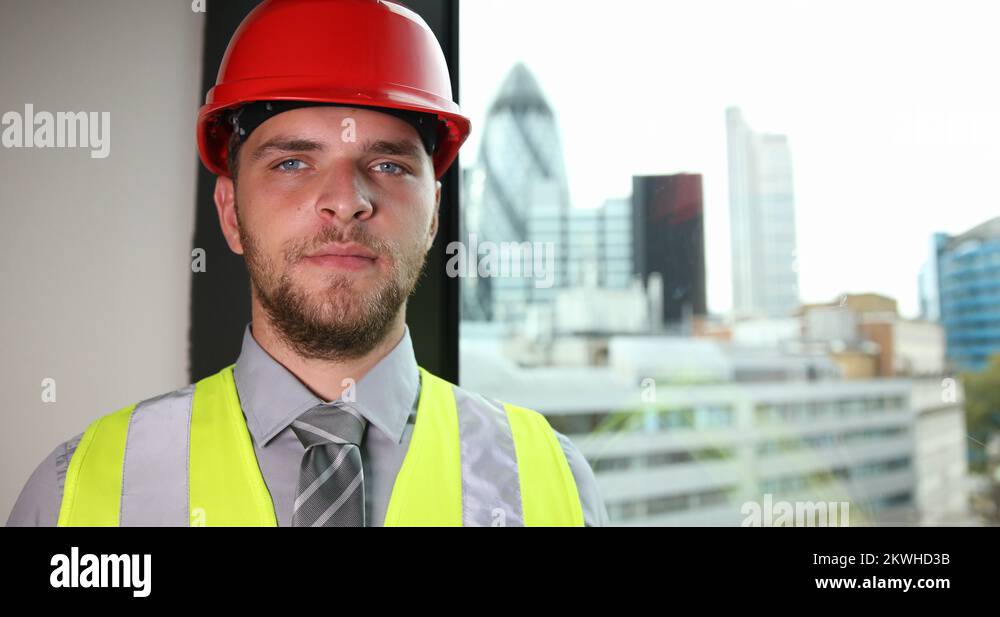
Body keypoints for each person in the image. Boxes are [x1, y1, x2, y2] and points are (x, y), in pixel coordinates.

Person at [6, 0, 609, 527]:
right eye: (292, 162)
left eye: (390, 164)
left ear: (433, 218)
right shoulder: (76, 494)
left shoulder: (551, 487)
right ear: (231, 213)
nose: (347, 200)